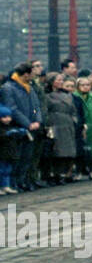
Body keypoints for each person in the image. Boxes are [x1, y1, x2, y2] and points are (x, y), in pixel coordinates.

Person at [2, 63, 43, 192]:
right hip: (17, 128)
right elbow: (12, 109)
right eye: (32, 73)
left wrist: (38, 120)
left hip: (32, 127)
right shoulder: (8, 88)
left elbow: (36, 106)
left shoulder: (29, 87)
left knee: (28, 156)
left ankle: (22, 181)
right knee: (16, 156)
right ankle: (13, 182)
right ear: (26, 74)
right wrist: (27, 123)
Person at [44, 74, 79, 184]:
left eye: (61, 80)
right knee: (56, 150)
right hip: (55, 123)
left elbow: (73, 110)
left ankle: (63, 173)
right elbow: (45, 110)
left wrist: (74, 119)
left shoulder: (67, 95)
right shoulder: (47, 95)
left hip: (67, 123)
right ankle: (54, 174)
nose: (60, 82)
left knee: (67, 151)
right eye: (58, 80)